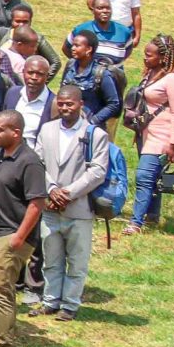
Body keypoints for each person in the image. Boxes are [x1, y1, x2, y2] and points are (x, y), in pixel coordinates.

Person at [0, 108, 49, 347]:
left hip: (10, 237)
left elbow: (37, 203)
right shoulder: (1, 153)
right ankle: (0, 334)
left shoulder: (29, 162)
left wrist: (18, 238)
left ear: (16, 132)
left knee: (1, 291)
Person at [33, 84, 109, 317]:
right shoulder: (47, 129)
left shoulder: (95, 135)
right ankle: (50, 300)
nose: (65, 108)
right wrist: (52, 189)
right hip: (50, 208)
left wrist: (67, 193)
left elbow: (98, 171)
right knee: (51, 258)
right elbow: (37, 163)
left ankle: (70, 305)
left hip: (79, 208)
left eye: (70, 104)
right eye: (61, 104)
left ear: (80, 104)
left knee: (77, 261)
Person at [127, 33, 174, 232]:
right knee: (153, 179)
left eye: (149, 55)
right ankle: (152, 217)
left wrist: (173, 143)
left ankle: (135, 223)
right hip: (145, 135)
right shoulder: (152, 74)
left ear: (163, 57)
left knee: (144, 176)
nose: (145, 58)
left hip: (162, 137)